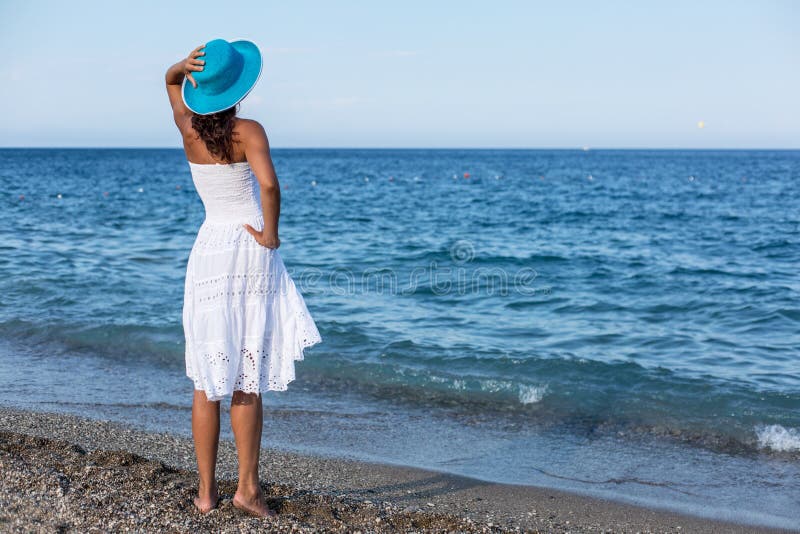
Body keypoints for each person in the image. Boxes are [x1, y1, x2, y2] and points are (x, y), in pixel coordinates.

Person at [165, 39, 322, 518]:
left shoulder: (186, 126)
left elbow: (170, 82)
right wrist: (270, 235)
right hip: (249, 252)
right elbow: (270, 185)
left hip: (209, 250)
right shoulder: (248, 129)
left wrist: (179, 67)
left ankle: (207, 494)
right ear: (237, 87)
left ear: (199, 87)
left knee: (205, 378)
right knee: (244, 375)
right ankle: (247, 490)